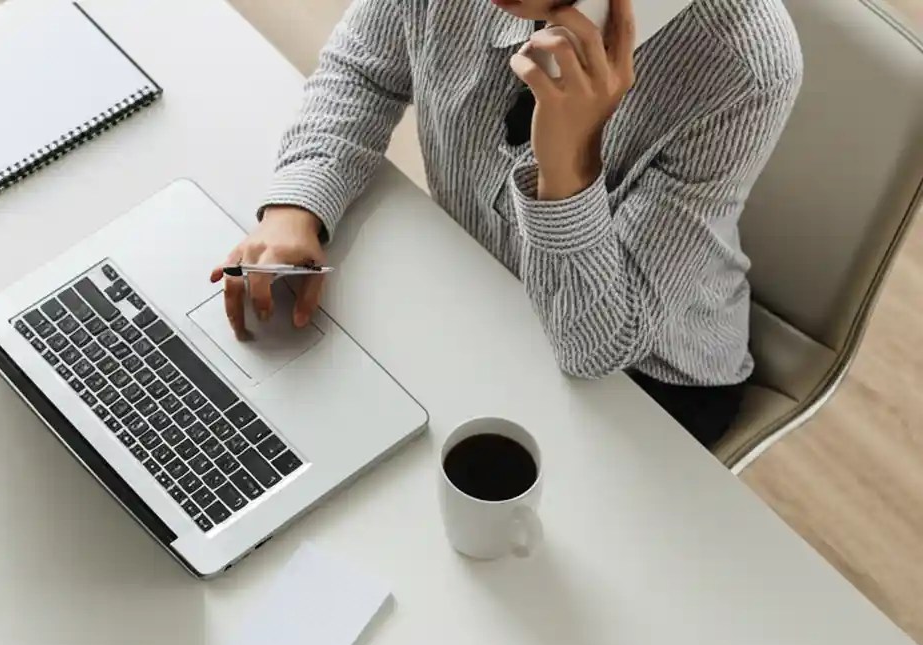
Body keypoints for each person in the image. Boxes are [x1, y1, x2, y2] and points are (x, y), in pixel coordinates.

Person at [208, 0, 802, 447]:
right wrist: (297, 208)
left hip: (642, 377)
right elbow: (365, 72)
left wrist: (569, 158)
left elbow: (594, 345)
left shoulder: (747, 67)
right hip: (478, 288)